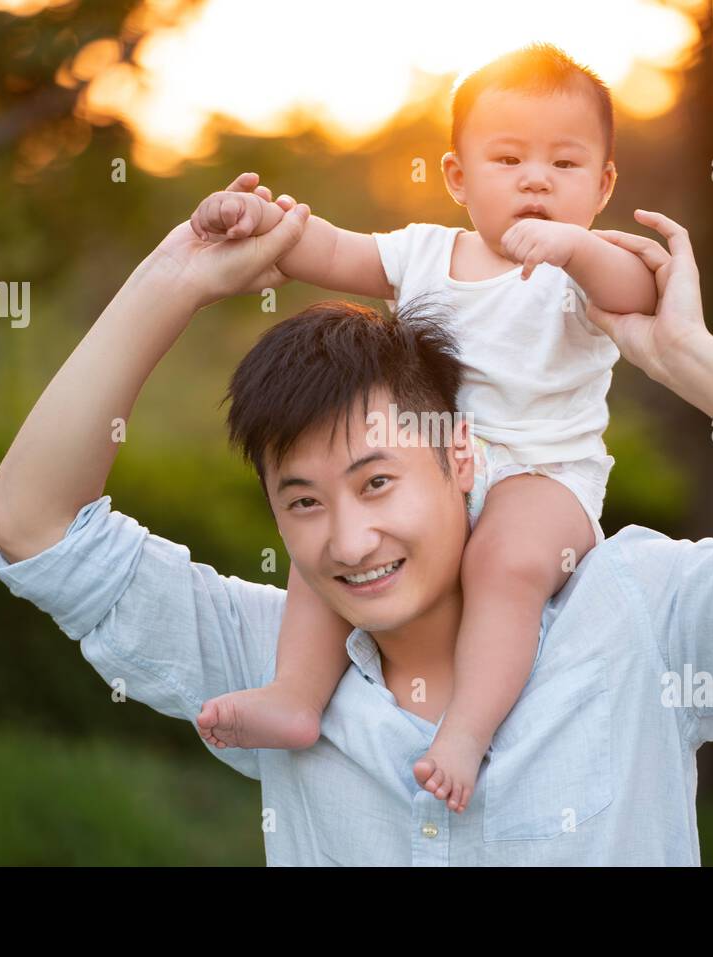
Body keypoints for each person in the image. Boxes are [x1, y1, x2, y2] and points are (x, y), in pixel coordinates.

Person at [0, 174, 713, 865]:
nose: (348, 541)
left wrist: (687, 358)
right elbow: (28, 519)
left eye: (375, 483)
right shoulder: (266, 658)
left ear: (460, 460)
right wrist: (177, 276)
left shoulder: (634, 619)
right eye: (302, 502)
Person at [191, 43, 658, 815]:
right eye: (508, 158)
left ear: (603, 184)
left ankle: (467, 732)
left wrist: (575, 247)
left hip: (545, 479)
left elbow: (640, 288)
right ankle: (296, 695)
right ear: (457, 176)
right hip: (432, 468)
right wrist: (258, 219)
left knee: (504, 566)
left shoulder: (587, 270)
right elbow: (333, 249)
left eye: (566, 165)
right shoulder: (427, 253)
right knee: (330, 554)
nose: (536, 178)